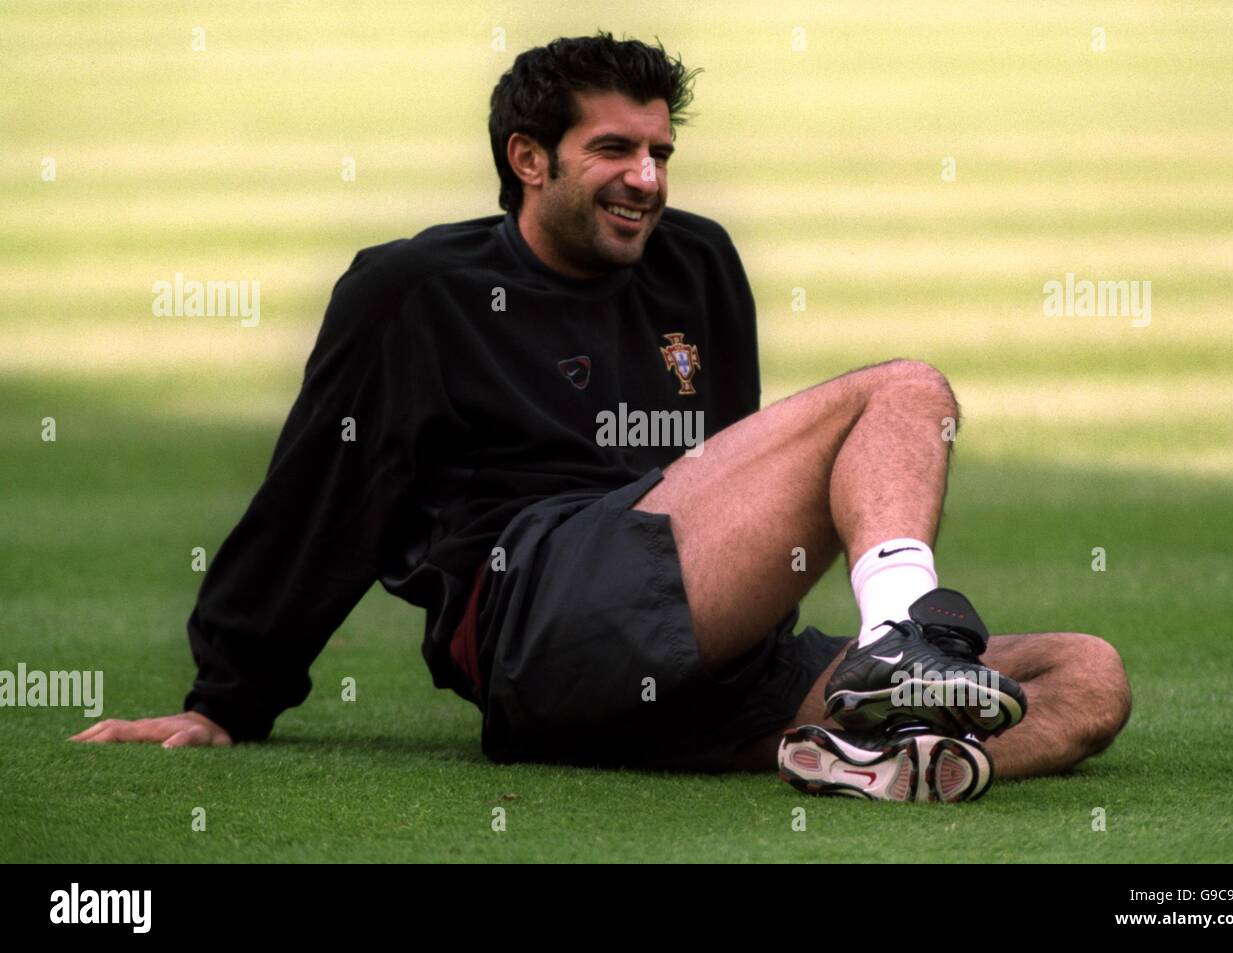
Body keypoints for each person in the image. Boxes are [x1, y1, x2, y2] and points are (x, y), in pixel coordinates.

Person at [71, 32, 1131, 803]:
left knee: (1086, 676)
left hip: (682, 648)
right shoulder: (415, 289)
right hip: (539, 602)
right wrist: (227, 696)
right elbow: (320, 490)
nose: (647, 178)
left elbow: (727, 473)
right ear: (528, 159)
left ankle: (879, 759)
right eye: (616, 151)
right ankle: (901, 637)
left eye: (662, 152)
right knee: (903, 388)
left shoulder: (698, 260)